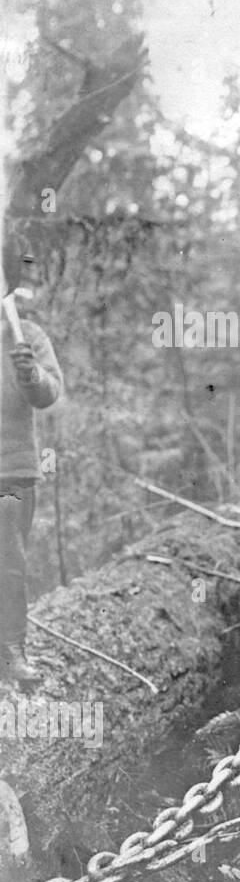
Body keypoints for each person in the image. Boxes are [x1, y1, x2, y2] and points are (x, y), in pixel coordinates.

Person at [1, 237, 62, 685]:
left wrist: (29, 373)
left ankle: (11, 654)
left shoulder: (26, 335)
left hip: (10, 472)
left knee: (8, 564)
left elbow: (48, 394)